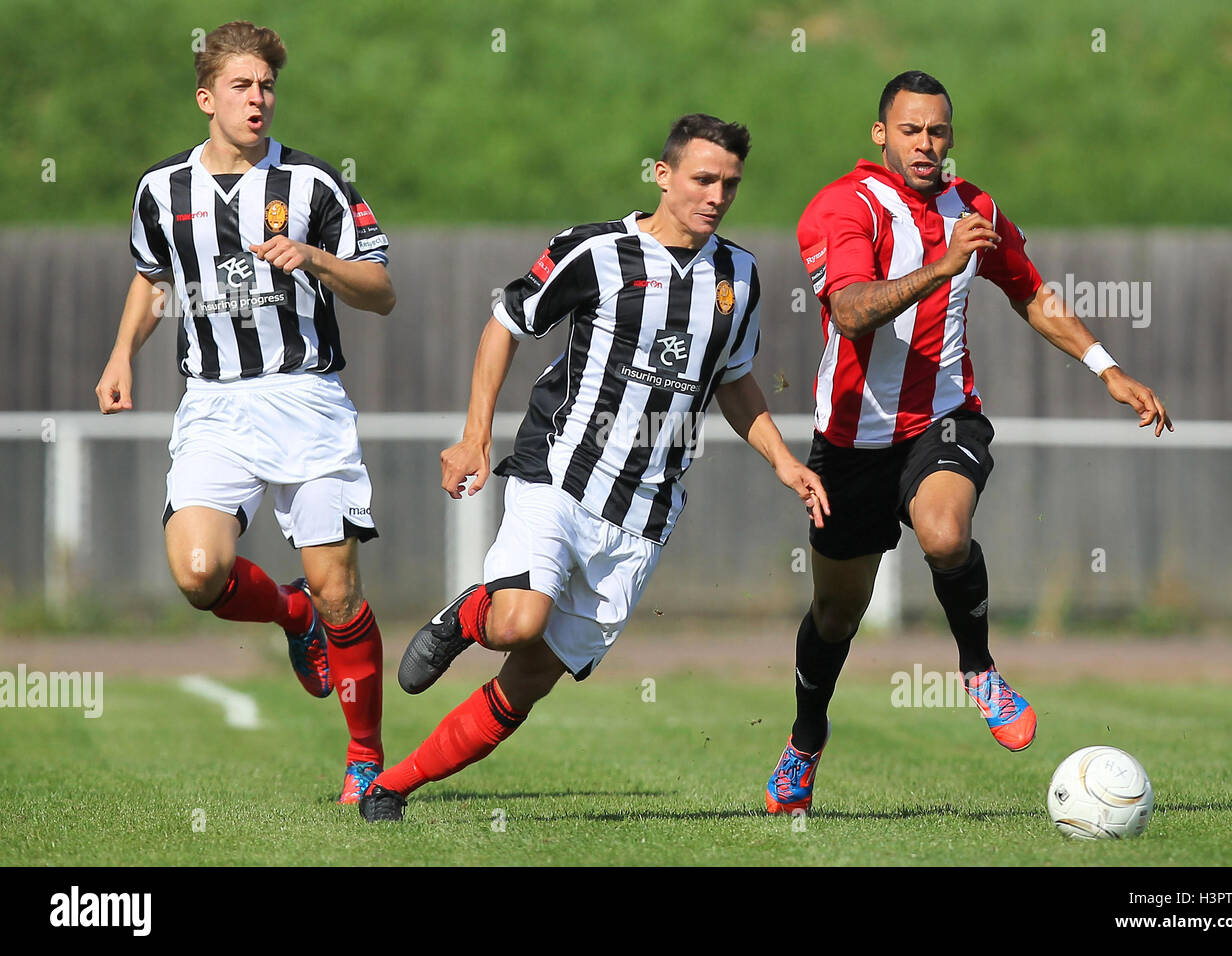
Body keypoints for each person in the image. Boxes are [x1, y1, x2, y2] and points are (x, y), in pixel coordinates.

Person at [358, 113, 829, 822]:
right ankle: (471, 613)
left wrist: (785, 462)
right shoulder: (595, 250)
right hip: (558, 476)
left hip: (642, 517)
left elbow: (734, 380)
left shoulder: (740, 275)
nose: (717, 194)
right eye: (703, 178)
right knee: (518, 620)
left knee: (531, 679)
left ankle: (393, 786)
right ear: (662, 176)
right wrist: (474, 436)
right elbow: (505, 325)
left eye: (730, 183)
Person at [764, 71, 1173, 814]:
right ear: (880, 133)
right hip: (851, 440)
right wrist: (944, 265)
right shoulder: (841, 207)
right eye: (911, 129)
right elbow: (853, 313)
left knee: (945, 534)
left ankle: (979, 669)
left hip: (944, 419)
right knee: (834, 616)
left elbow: (1029, 291)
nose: (927, 144)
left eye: (939, 131)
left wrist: (1106, 367)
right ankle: (804, 740)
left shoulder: (976, 207)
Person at [93, 20, 395, 804]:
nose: (257, 98)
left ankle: (366, 756)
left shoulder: (315, 186)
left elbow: (383, 292)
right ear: (207, 97)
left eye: (266, 86)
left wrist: (319, 259)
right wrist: (123, 352)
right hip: (217, 405)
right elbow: (151, 275)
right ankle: (289, 614)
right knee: (199, 574)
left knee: (342, 594)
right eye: (241, 85)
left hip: (307, 401)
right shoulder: (162, 190)